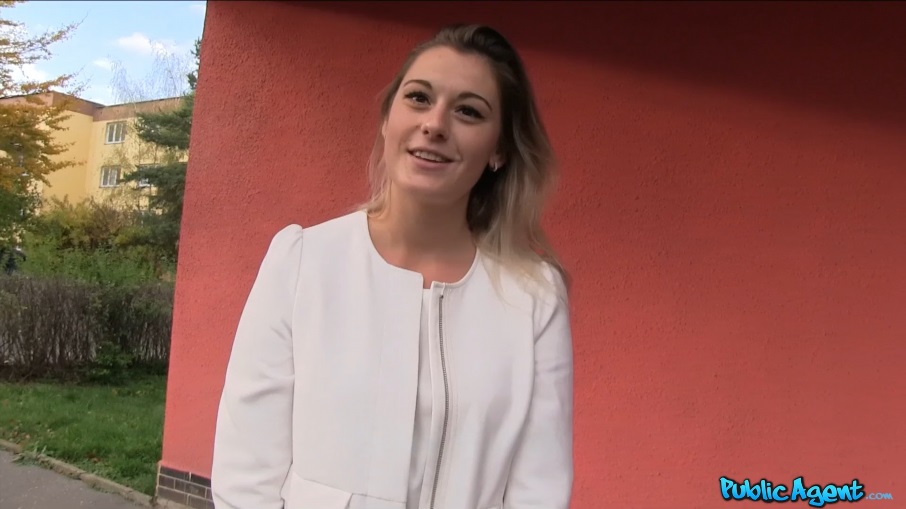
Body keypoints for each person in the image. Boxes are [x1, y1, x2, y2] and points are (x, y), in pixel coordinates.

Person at [211, 24, 574, 509]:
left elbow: (539, 490)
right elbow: (245, 475)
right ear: (387, 120)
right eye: (419, 98)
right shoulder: (303, 263)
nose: (435, 124)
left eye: (468, 111)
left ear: (499, 149)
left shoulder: (533, 297)